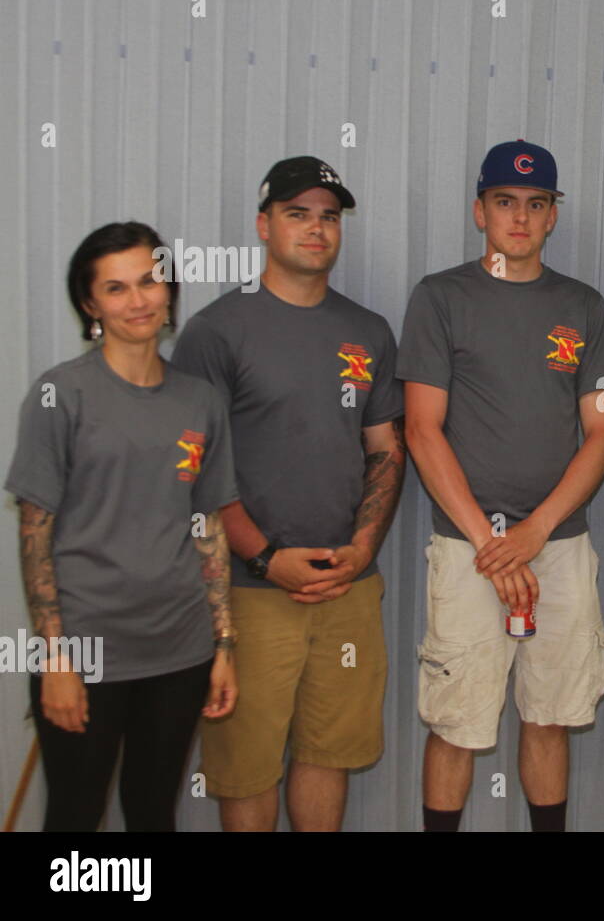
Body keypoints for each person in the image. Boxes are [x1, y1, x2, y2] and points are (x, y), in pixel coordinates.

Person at [170, 157, 406, 832]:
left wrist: (362, 549)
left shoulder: (369, 331)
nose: (316, 228)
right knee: (247, 767)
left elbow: (386, 449)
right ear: (263, 225)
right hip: (249, 594)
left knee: (328, 756)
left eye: (328, 216)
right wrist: (265, 557)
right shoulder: (217, 331)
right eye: (297, 213)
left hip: (347, 589)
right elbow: (196, 471)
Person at [399, 140, 604, 832]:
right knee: (458, 725)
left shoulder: (582, 306)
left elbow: (603, 434)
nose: (519, 218)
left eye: (536, 204)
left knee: (551, 718)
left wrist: (533, 533)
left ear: (553, 216)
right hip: (468, 548)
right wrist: (492, 541)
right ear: (479, 211)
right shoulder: (441, 297)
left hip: (557, 545)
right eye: (504, 203)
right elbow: (421, 431)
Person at [6, 221, 238, 831]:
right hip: (85, 652)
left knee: (153, 813)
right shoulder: (61, 394)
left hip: (180, 650)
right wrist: (56, 658)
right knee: (76, 819)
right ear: (90, 304)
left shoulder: (200, 400)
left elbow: (207, 526)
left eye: (149, 280)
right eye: (116, 288)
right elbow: (36, 535)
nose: (138, 300)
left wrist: (222, 646)